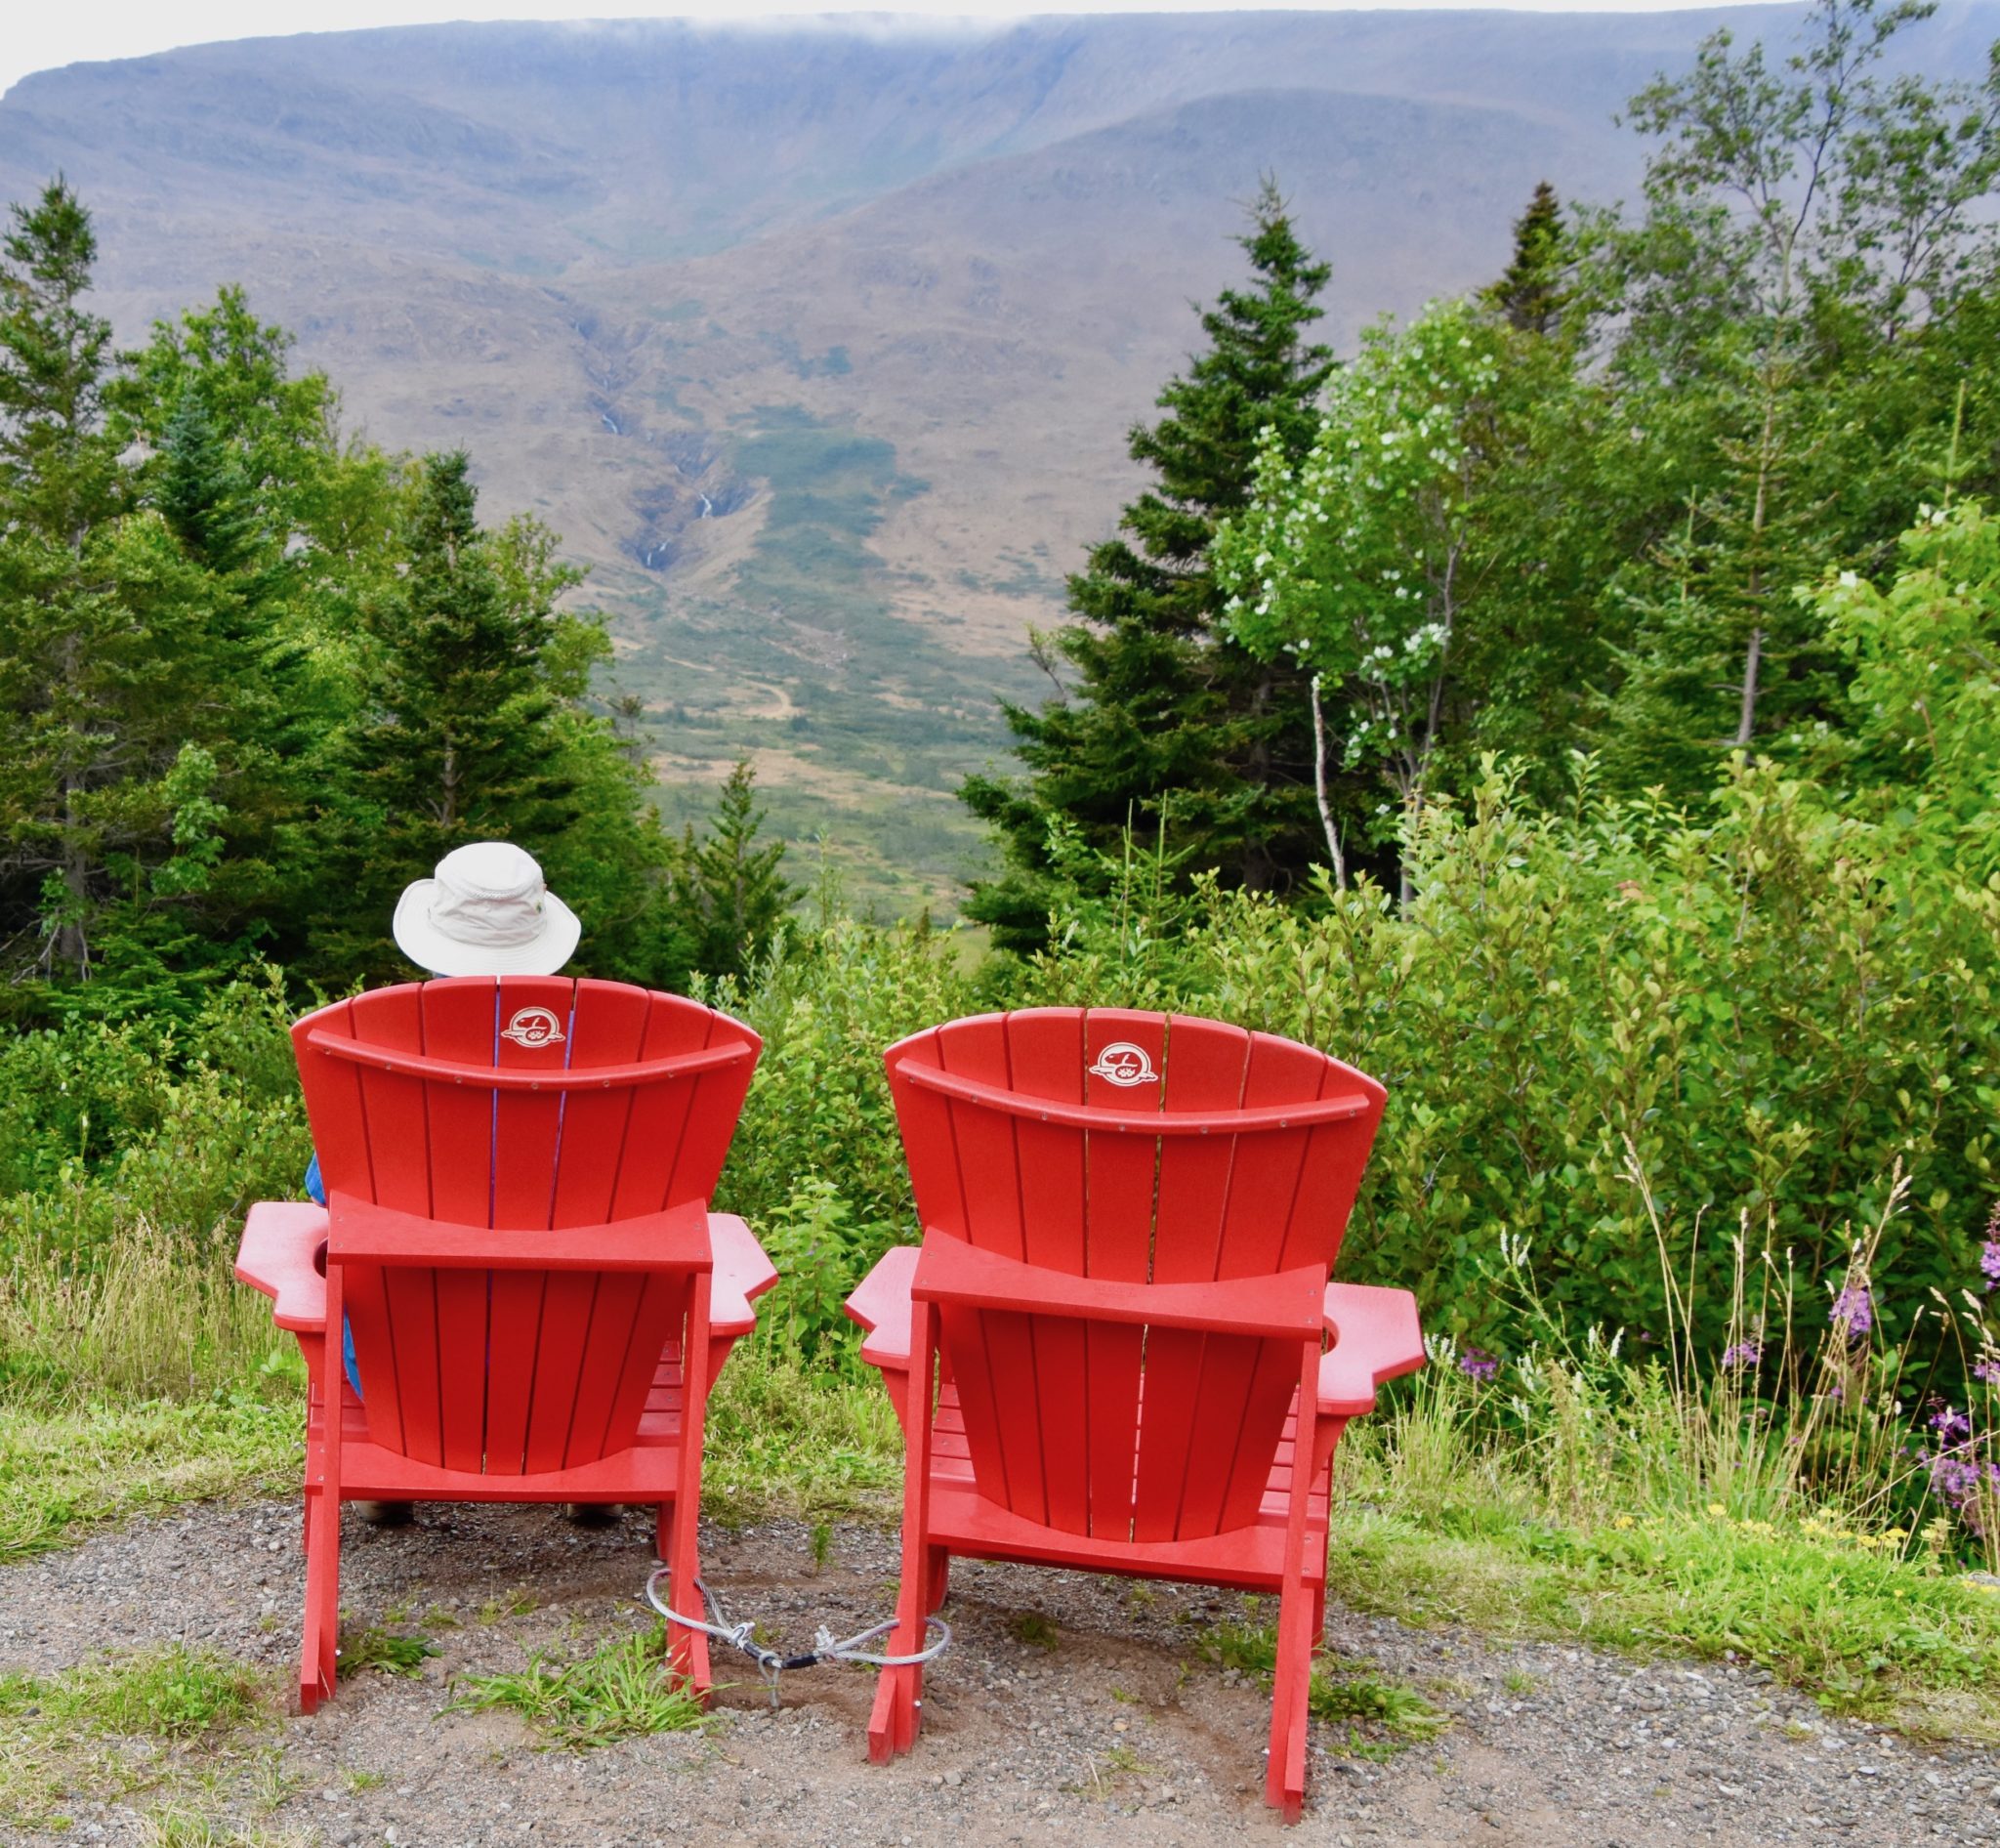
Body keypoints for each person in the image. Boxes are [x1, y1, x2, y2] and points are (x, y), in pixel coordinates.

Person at [308, 841, 582, 1526]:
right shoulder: (608, 1055)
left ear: (431, 947)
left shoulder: (375, 1044)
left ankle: (390, 1475)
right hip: (575, 1374)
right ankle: (592, 1478)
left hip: (407, 1374)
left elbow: (324, 1191)